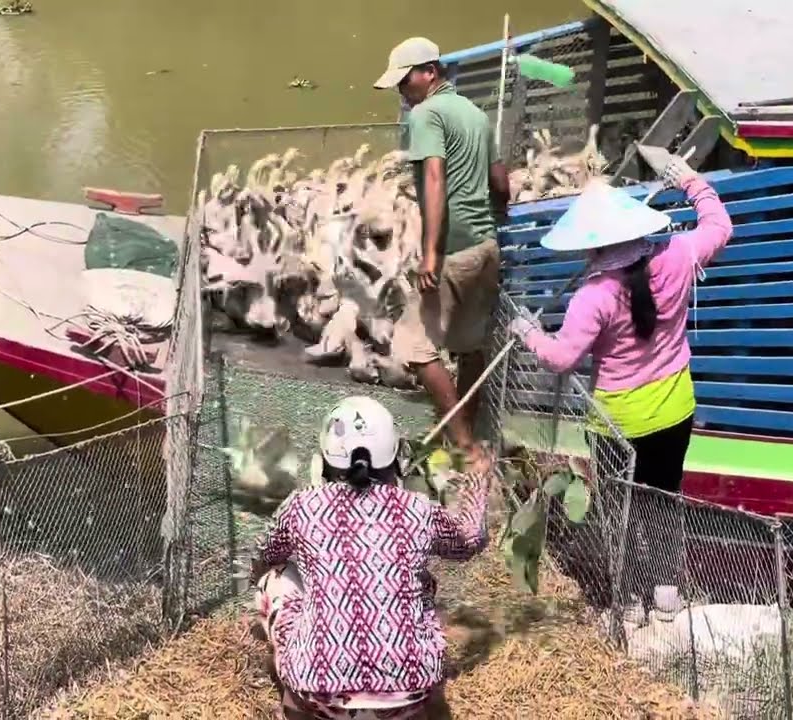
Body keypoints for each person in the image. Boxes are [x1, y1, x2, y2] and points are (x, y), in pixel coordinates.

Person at [510, 156, 733, 622]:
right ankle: (668, 596)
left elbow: (562, 358)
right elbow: (719, 225)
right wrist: (689, 181)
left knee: (621, 507)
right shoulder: (677, 255)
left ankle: (630, 602)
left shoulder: (593, 296)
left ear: (592, 244)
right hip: (675, 407)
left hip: (618, 421)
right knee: (665, 498)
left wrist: (528, 332)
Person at [249, 396, 490, 719]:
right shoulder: (418, 509)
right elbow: (469, 541)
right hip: (409, 693)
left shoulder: (302, 506)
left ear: (323, 460)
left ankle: (295, 709)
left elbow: (266, 555)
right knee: (423, 588)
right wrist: (478, 482)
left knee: (273, 579)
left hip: (318, 690)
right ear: (396, 460)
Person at [373, 37, 512, 475]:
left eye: (405, 79)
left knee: (413, 346)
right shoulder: (474, 113)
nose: (401, 90)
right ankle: (465, 425)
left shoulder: (426, 113)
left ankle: (466, 449)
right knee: (470, 345)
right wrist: (496, 217)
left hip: (452, 251)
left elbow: (434, 177)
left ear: (430, 72)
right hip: (486, 248)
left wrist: (430, 253)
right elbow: (500, 182)